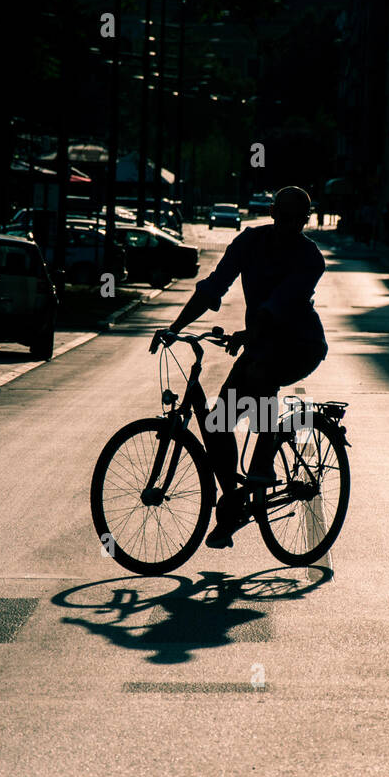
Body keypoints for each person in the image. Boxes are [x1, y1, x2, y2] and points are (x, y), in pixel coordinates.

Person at [164, 185, 328, 548]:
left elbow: (280, 304)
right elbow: (212, 288)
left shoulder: (310, 258)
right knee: (219, 423)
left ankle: (264, 463)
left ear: (306, 221)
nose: (288, 225)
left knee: (262, 373)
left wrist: (246, 334)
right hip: (259, 343)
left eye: (296, 219)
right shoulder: (249, 243)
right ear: (272, 213)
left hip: (300, 346)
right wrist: (174, 329)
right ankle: (235, 505)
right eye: (282, 216)